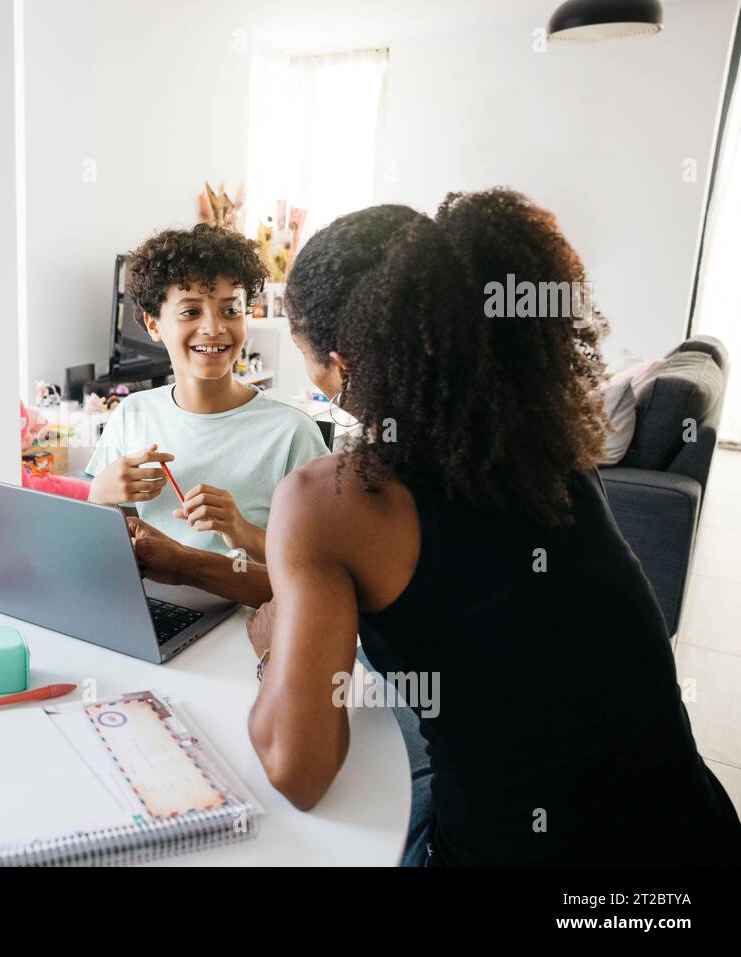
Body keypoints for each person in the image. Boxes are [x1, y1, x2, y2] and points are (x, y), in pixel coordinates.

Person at [226, 189, 741, 865]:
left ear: (343, 365)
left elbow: (300, 771)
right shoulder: (552, 446)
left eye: (306, 355)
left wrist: (271, 647)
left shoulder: (329, 500)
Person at [87, 223, 328, 563]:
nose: (214, 328)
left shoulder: (292, 433)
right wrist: (100, 496)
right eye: (190, 312)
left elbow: (317, 561)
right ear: (154, 324)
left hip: (246, 612)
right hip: (157, 605)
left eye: (230, 311)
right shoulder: (132, 413)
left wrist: (241, 530)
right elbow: (111, 549)